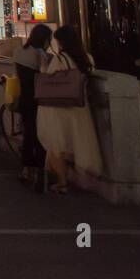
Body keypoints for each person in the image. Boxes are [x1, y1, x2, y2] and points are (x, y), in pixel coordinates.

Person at [37, 25, 104, 193]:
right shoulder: (87, 58)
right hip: (79, 105)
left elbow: (49, 79)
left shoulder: (60, 59)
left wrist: (43, 66)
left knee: (56, 144)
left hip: (60, 107)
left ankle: (62, 182)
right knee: (75, 139)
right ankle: (71, 176)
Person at [14, 24, 53, 190]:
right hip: (40, 99)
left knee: (28, 133)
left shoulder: (19, 52)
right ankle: (40, 170)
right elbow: (46, 74)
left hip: (25, 98)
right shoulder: (41, 55)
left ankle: (26, 169)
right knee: (41, 135)